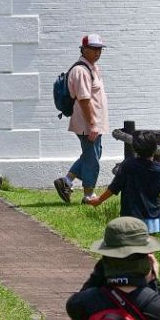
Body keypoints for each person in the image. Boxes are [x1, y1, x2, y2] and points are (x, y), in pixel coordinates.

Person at [54, 32, 109, 203]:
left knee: (91, 155)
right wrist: (93, 124)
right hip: (87, 123)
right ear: (84, 49)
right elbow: (84, 100)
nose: (97, 52)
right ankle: (88, 195)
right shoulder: (81, 70)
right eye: (93, 49)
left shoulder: (90, 67)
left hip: (92, 123)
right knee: (92, 159)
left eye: (99, 49)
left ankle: (67, 181)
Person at [85, 130, 160, 232]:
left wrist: (99, 200)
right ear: (155, 148)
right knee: (149, 246)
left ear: (135, 148)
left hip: (131, 216)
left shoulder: (128, 165)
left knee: (131, 245)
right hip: (153, 219)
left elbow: (115, 186)